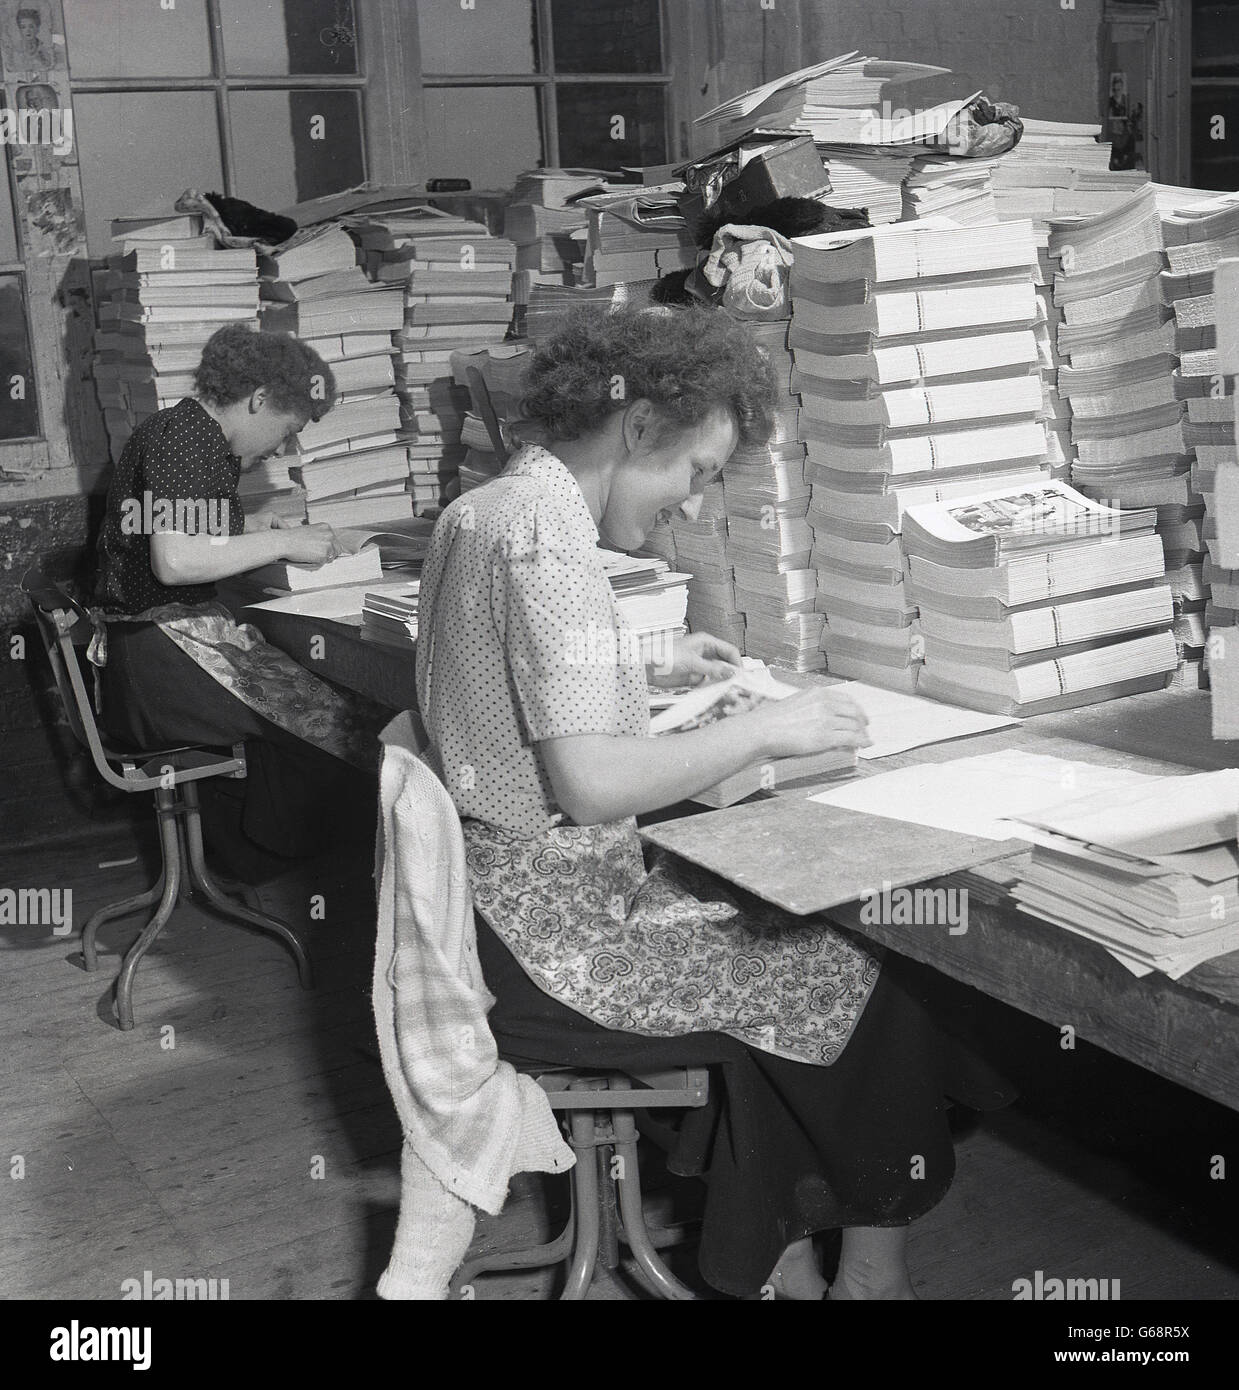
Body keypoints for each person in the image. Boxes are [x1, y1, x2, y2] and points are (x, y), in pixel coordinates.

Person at [415, 304, 1013, 1300]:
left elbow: (506, 680)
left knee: (782, 955)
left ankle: (782, 1255)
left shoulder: (493, 507)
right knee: (866, 967)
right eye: (695, 474)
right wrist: (770, 728)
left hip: (484, 918)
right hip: (556, 946)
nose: (694, 508)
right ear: (640, 427)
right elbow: (591, 781)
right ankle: (861, 1268)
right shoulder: (552, 542)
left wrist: (641, 658)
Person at [92, 322, 383, 883]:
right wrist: (281, 542)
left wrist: (248, 524)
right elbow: (174, 560)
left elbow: (172, 526)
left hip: (156, 650)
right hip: (162, 662)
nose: (281, 448)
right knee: (352, 726)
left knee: (328, 707)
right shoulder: (185, 438)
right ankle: (300, 873)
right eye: (286, 430)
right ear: (259, 400)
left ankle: (256, 859)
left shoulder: (186, 432)